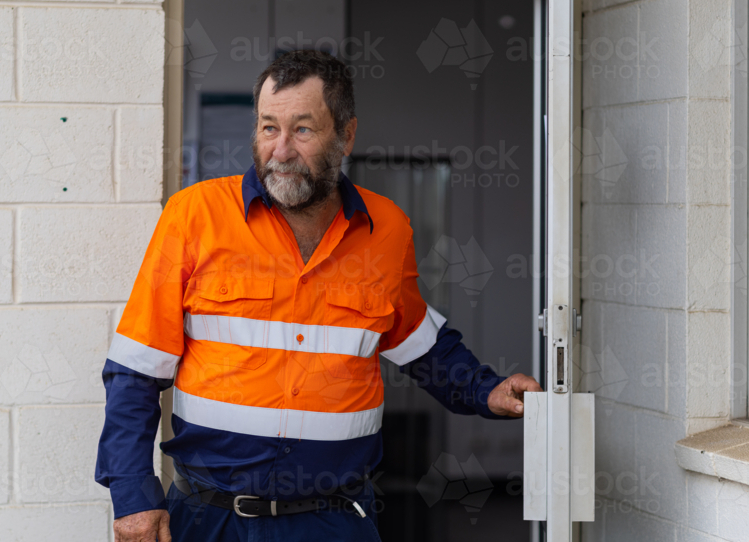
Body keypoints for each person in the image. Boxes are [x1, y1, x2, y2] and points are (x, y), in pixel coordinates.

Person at [96, 49, 542, 541]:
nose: (281, 150)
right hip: (211, 519)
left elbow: (419, 342)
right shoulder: (193, 217)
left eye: (302, 130)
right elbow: (134, 373)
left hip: (334, 521)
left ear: (346, 135)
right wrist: (133, 497)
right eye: (269, 128)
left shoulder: (387, 229)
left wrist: (486, 391)